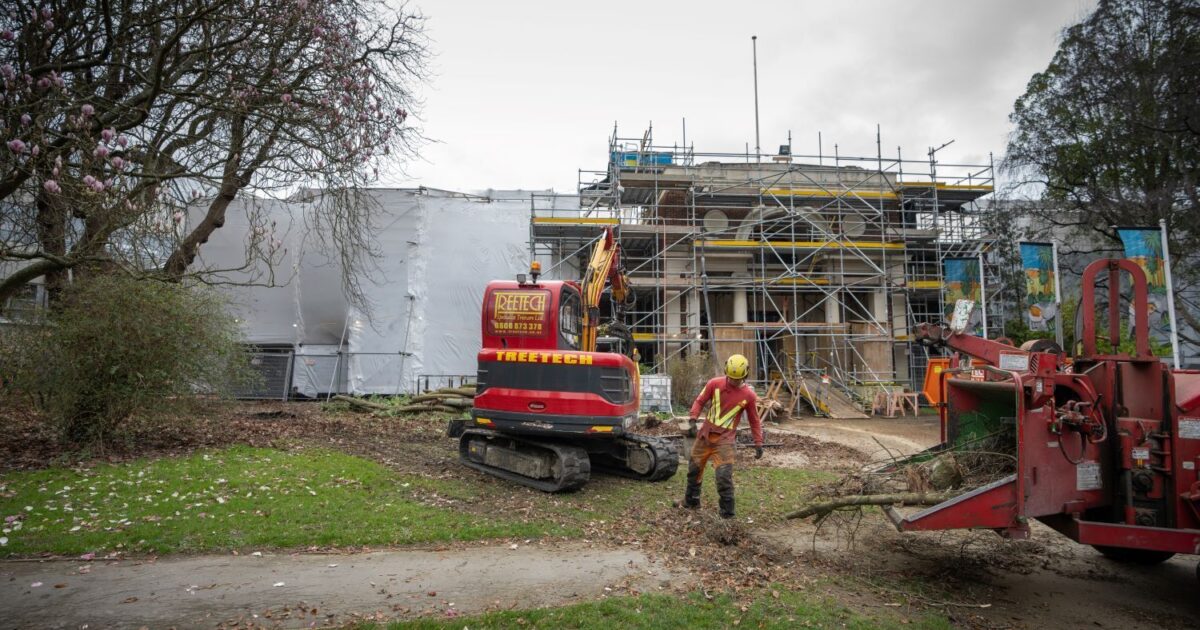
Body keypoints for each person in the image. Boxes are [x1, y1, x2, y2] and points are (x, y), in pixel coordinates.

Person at [682, 354, 763, 518]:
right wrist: (693, 418)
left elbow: (755, 421)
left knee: (723, 477)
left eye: (737, 379)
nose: (733, 381)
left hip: (725, 442)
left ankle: (727, 514)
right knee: (693, 470)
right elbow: (700, 401)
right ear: (726, 371)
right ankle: (691, 501)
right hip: (704, 436)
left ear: (745, 375)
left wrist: (758, 442)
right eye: (731, 378)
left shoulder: (749, 396)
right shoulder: (714, 383)